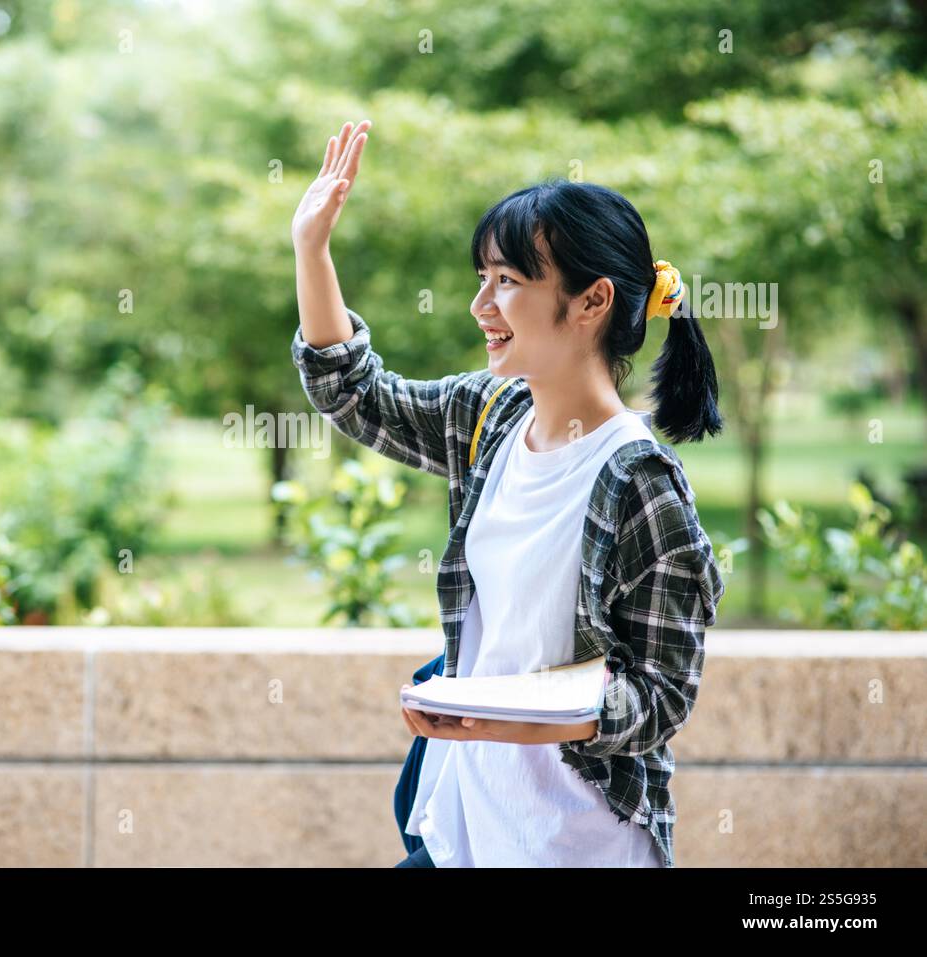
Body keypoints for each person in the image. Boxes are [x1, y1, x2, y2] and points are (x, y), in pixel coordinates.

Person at [290, 120, 726, 868]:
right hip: (463, 822)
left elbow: (662, 693)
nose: (480, 304)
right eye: (482, 278)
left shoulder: (639, 481)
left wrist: (549, 719)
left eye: (509, 282)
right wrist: (311, 247)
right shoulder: (490, 417)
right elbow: (354, 392)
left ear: (592, 303)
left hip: (573, 840)